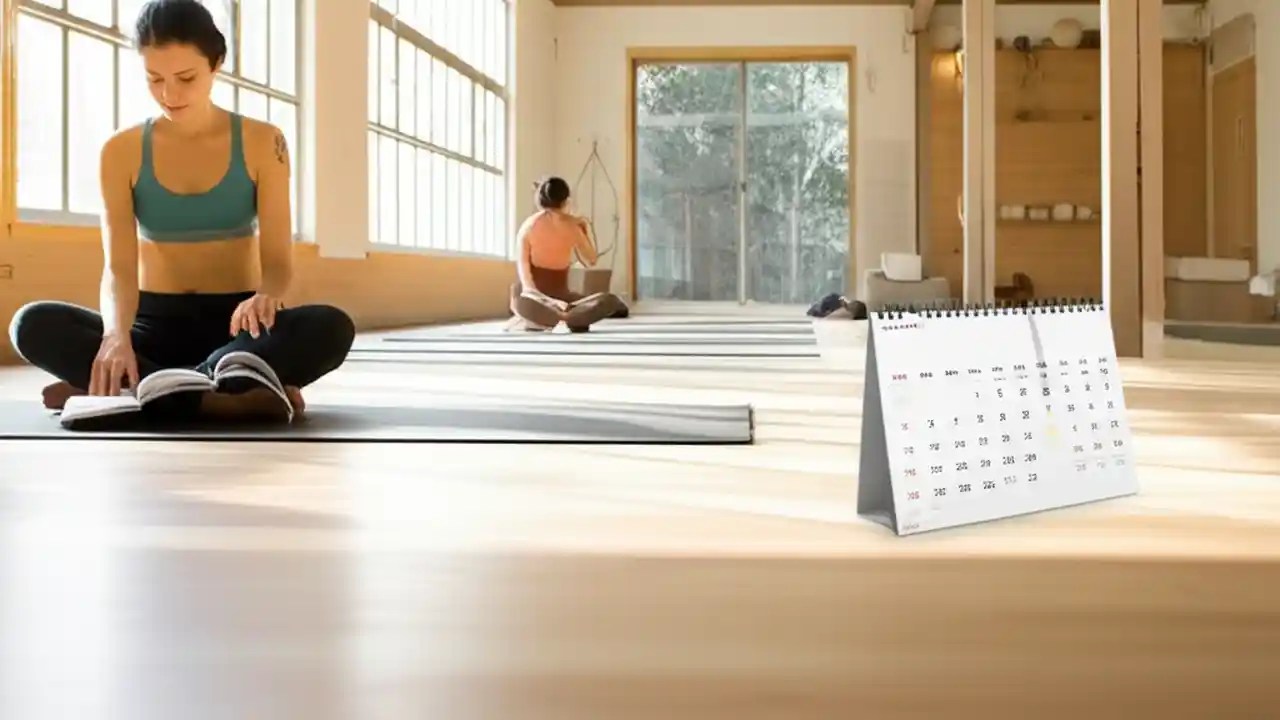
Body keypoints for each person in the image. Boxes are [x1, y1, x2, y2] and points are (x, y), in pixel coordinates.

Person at [6, 0, 354, 422]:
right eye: (154, 79)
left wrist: (268, 296)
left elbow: (279, 262)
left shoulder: (265, 143)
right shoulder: (121, 151)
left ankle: (142, 388)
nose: (169, 94)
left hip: (237, 330)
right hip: (151, 326)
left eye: (186, 77)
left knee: (331, 326)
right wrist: (116, 336)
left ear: (216, 63)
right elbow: (118, 268)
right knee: (31, 324)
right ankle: (224, 393)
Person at [509, 177, 625, 332]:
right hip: (538, 298)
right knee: (524, 301)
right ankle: (568, 317)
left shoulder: (528, 226)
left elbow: (525, 277)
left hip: (553, 298)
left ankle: (557, 317)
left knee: (608, 301)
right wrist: (584, 229)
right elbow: (591, 260)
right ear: (566, 201)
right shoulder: (571, 227)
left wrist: (581, 228)